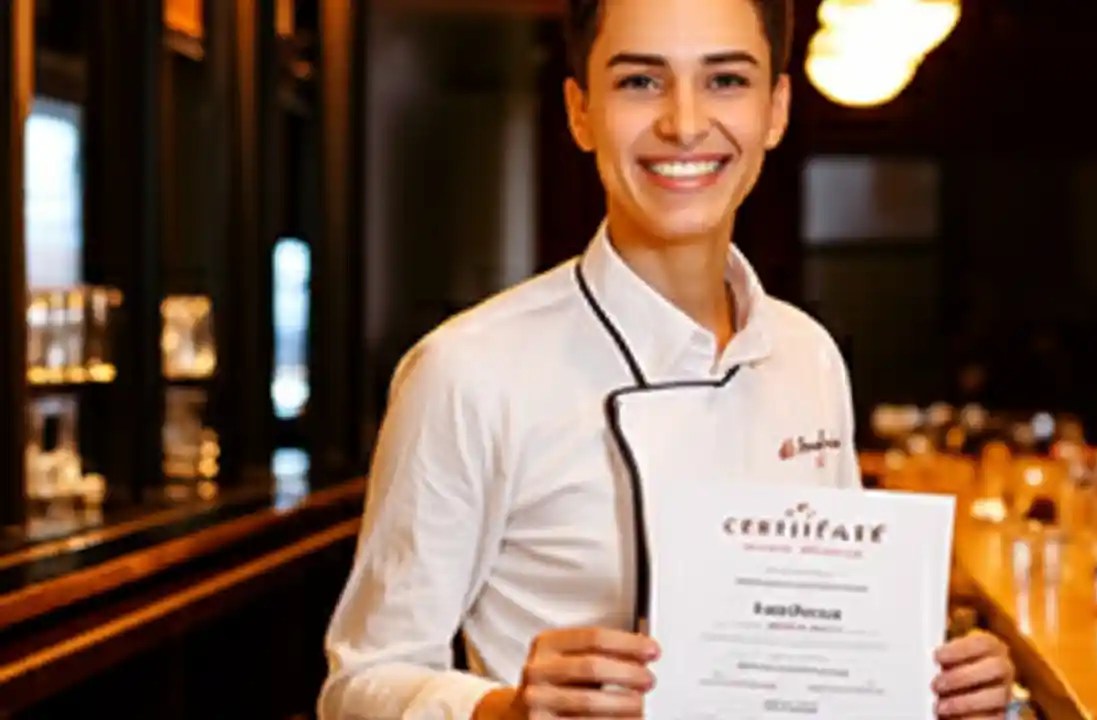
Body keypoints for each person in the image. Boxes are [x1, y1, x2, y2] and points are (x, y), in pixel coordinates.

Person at [319, 0, 1015, 718]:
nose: (684, 122)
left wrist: (939, 686)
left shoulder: (807, 353)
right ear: (580, 111)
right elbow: (359, 686)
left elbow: (821, 650)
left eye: (725, 81)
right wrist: (506, 709)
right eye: (640, 83)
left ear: (775, 109)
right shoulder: (466, 371)